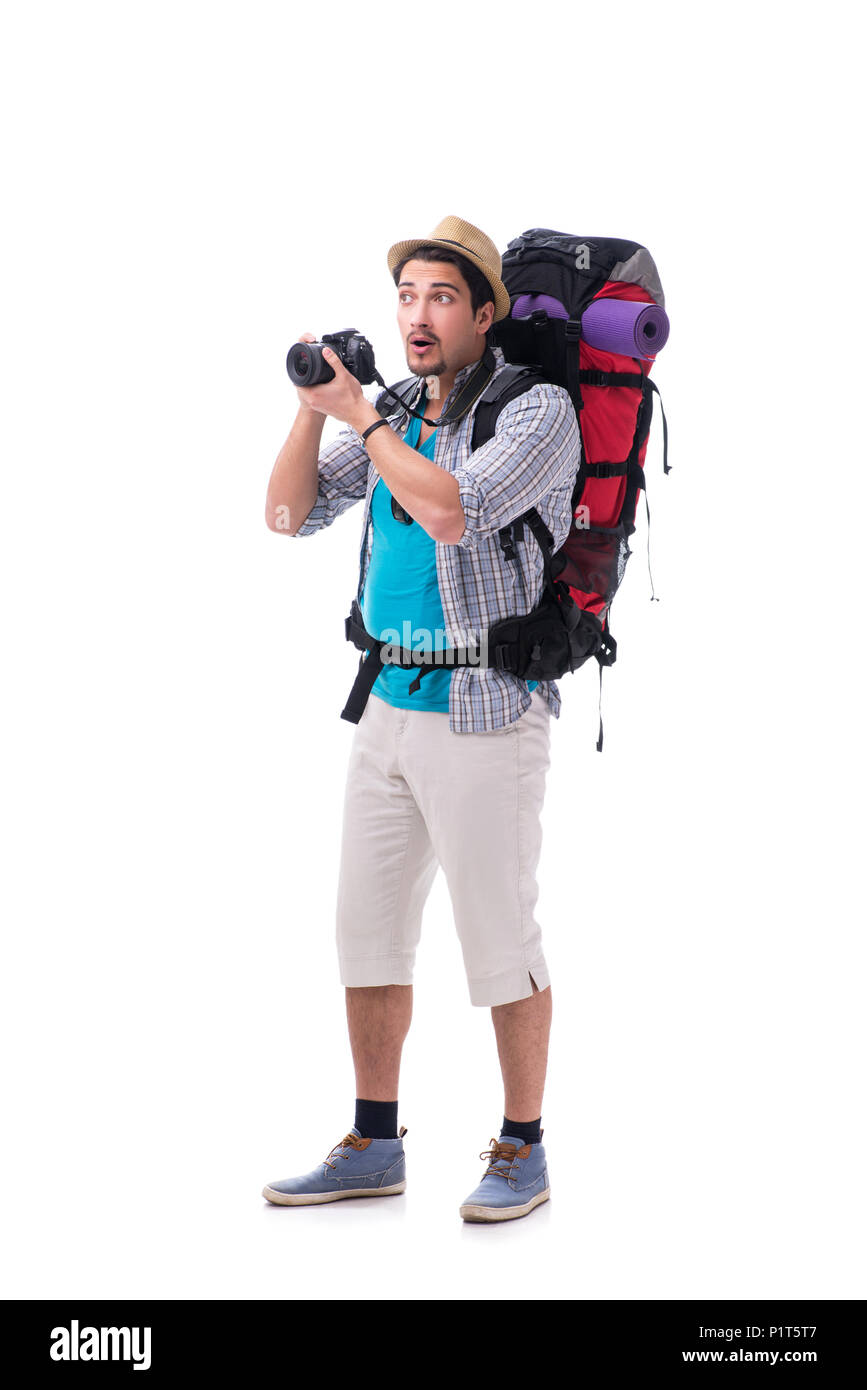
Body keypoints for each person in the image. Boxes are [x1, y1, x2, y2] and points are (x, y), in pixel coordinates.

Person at [262, 216, 580, 1221]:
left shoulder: (540, 412)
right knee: (367, 935)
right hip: (387, 710)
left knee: (498, 940)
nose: (418, 315)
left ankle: (522, 1145)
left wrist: (363, 417)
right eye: (406, 297)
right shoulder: (393, 407)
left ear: (484, 313)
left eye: (441, 296)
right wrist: (317, 408)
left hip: (487, 710)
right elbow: (286, 516)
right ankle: (372, 1138)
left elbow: (455, 509)